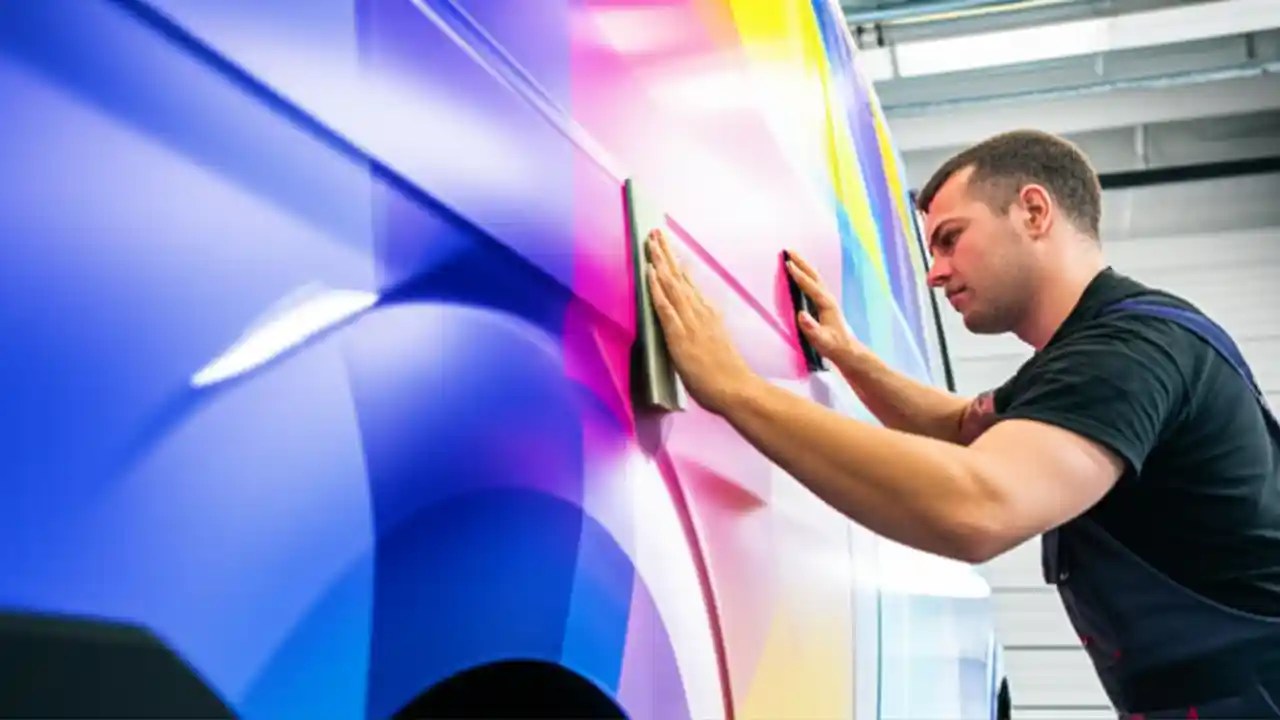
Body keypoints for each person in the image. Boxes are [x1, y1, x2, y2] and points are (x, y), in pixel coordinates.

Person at [644, 129, 1280, 718]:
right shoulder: (1091, 352)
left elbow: (978, 506)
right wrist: (851, 358)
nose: (934, 272)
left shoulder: (1128, 355)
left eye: (950, 239)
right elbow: (959, 427)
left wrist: (736, 390)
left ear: (1034, 212)